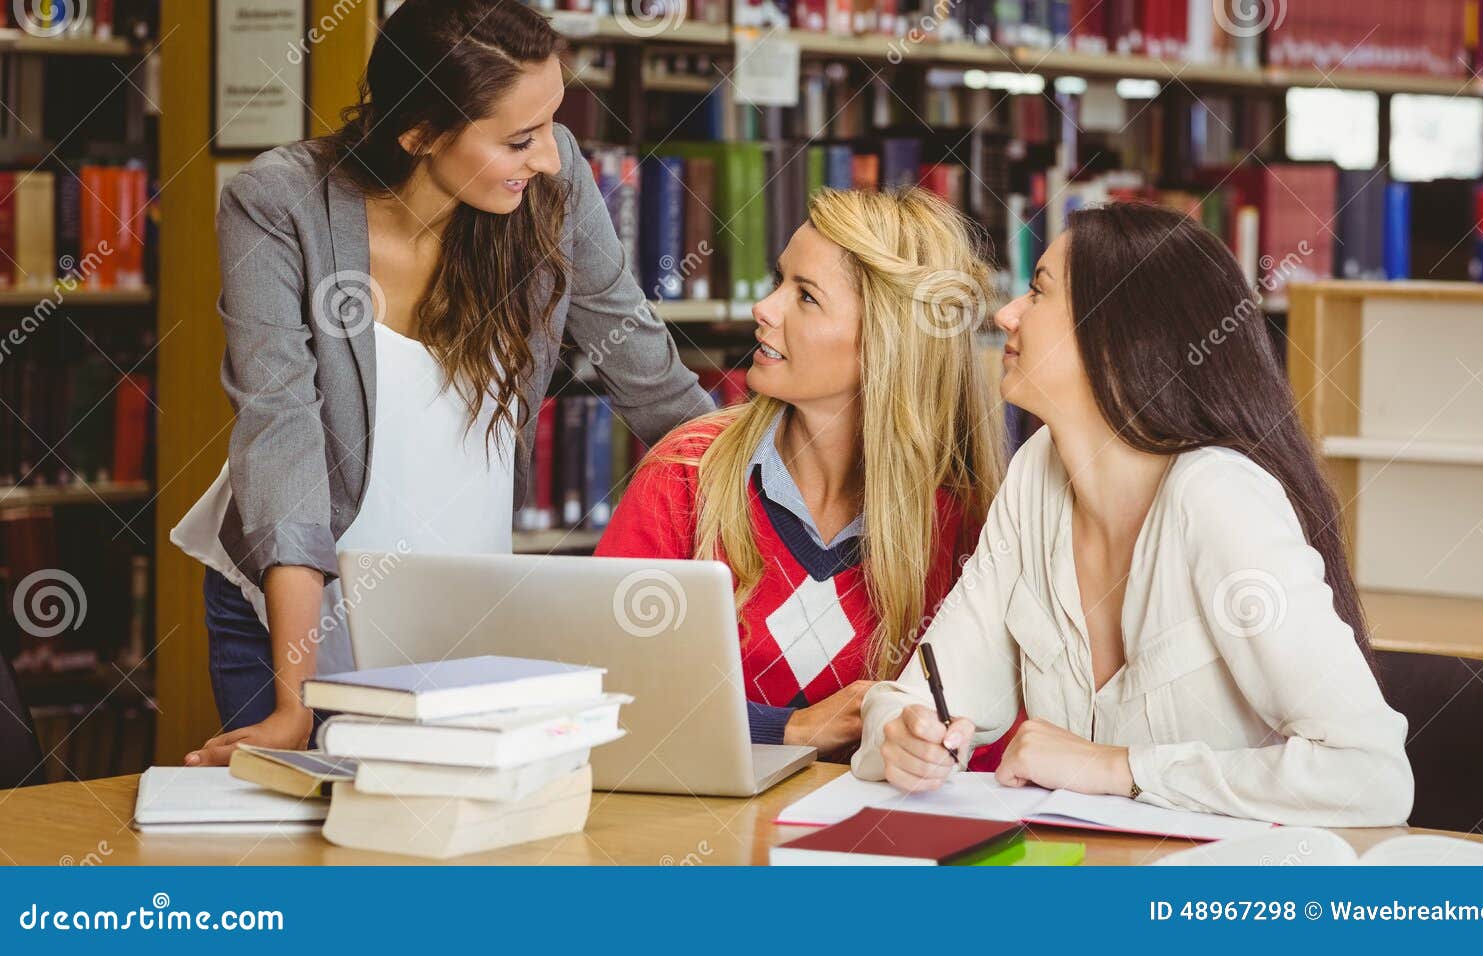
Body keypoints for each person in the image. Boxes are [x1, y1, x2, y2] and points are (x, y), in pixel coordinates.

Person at [171, 0, 712, 765]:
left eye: (554, 125)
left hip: (456, 606)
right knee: (312, 863)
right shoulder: (279, 202)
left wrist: (772, 487)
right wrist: (295, 701)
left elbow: (649, 378)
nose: (552, 158)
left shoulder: (547, 190)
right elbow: (279, 429)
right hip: (291, 615)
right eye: (520, 140)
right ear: (420, 132)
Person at [853, 202, 1414, 826]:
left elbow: (1372, 775)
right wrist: (901, 736)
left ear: (1118, 333)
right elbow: (924, 694)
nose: (1006, 314)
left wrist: (1117, 767)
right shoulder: (1036, 475)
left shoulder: (1217, 497)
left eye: (1038, 292)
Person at [597, 187, 1005, 760]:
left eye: (806, 296)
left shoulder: (965, 524)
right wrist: (785, 728)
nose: (764, 307)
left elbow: (985, 743)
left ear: (885, 343)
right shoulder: (686, 473)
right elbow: (606, 691)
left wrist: (930, 749)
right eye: (778, 279)